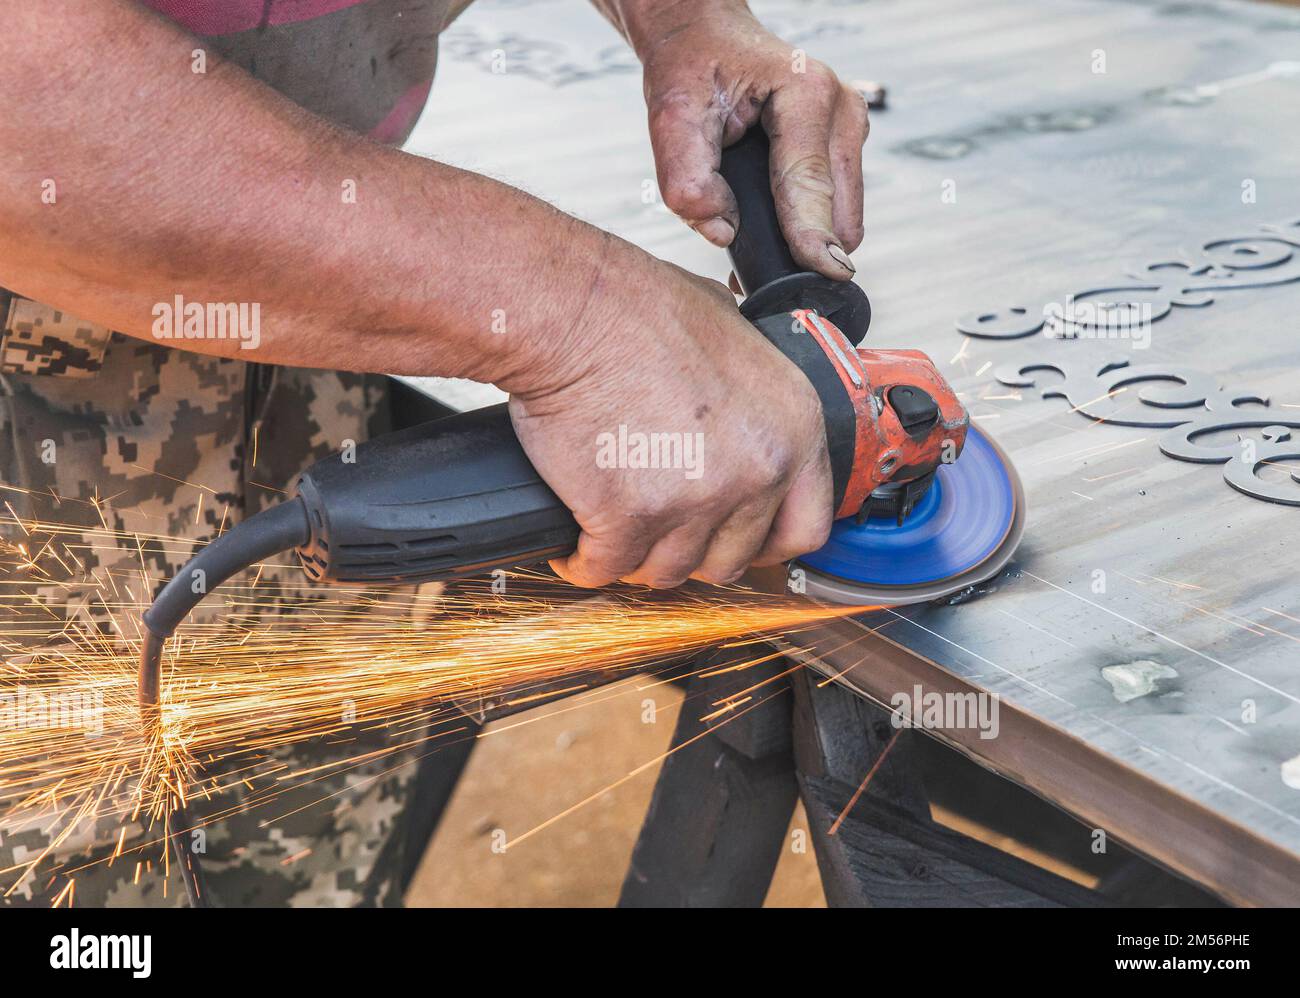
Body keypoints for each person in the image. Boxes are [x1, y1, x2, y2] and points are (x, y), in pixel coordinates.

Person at [0, 0, 869, 906]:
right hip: (38, 306)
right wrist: (584, 314)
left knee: (315, 793)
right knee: (66, 859)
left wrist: (685, 22)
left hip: (326, 284)